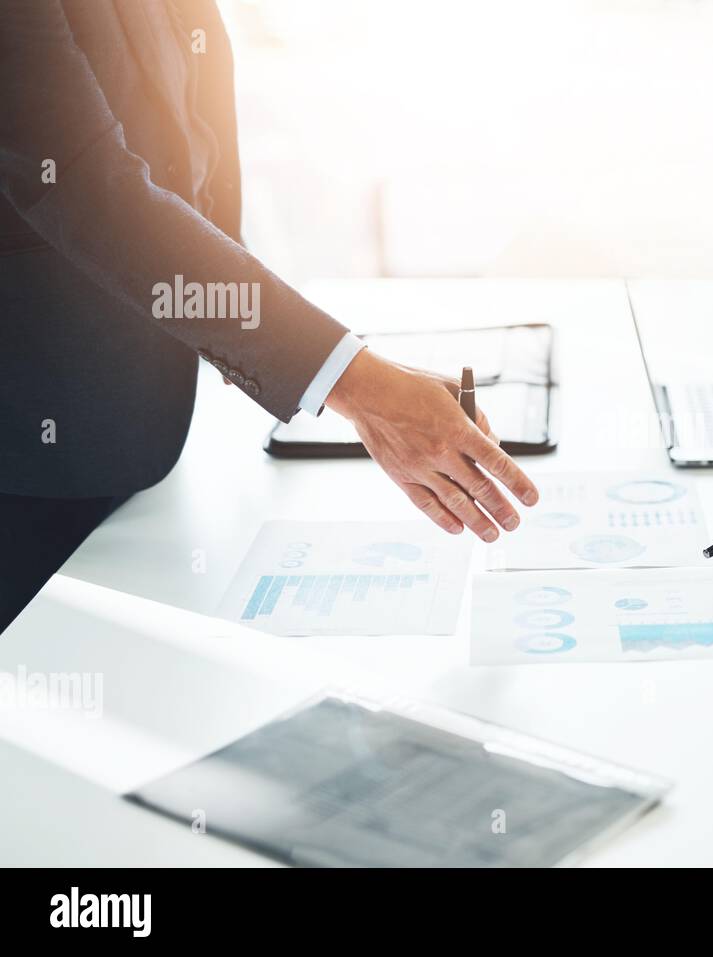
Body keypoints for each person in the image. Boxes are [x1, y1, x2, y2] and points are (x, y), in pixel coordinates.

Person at [0, 0, 538, 630]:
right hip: (33, 453)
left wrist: (247, 337)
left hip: (148, 429)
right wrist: (359, 385)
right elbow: (83, 186)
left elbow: (187, 123)